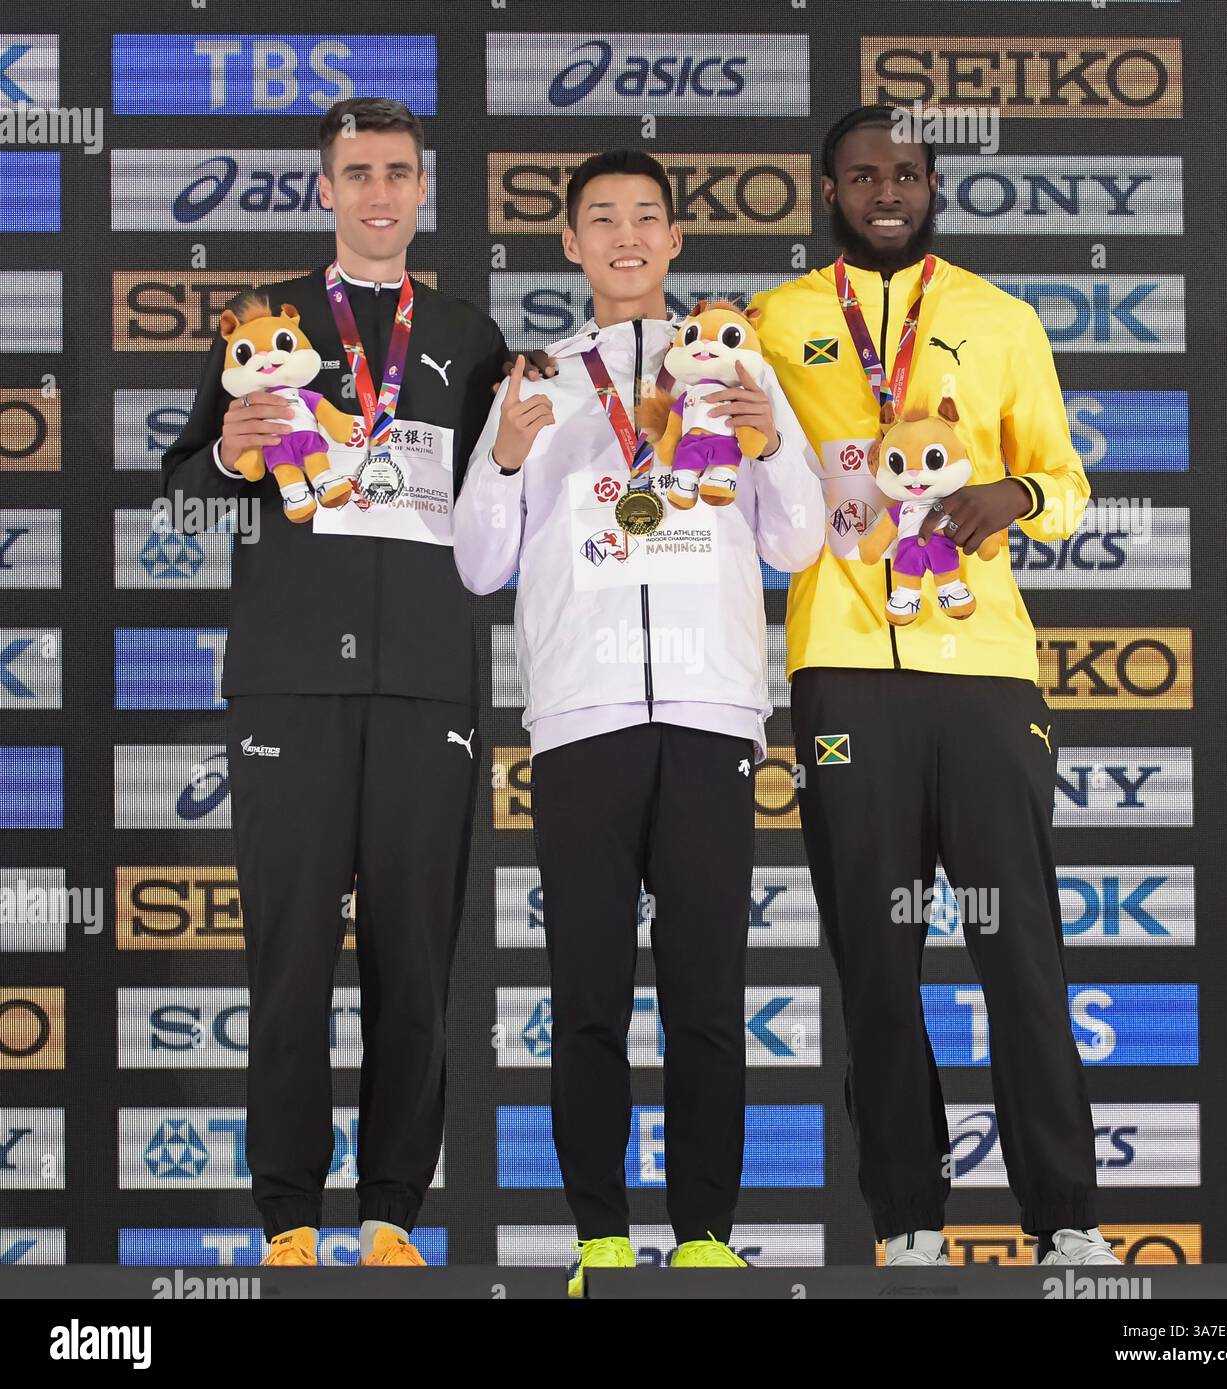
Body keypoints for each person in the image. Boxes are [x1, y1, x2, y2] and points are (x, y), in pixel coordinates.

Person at [748, 105, 1121, 1268]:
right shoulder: (774, 322)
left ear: (935, 182)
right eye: (862, 176)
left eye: (906, 172)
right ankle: (907, 1226)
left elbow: (1064, 480)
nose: (887, 192)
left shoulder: (998, 319)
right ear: (828, 192)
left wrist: (1014, 499)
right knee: (876, 952)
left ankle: (1067, 1223)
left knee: (1022, 952)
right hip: (844, 668)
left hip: (984, 668)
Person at [454, 150, 823, 1295]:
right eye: (600, 219)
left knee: (709, 996)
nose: (624, 236)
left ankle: (707, 1236)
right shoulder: (536, 380)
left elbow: (798, 543)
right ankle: (601, 1240)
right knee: (589, 1002)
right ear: (568, 246)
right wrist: (508, 460)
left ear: (672, 243)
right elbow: (476, 564)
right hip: (580, 723)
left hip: (712, 718)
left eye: (646, 218)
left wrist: (763, 441)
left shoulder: (735, 371)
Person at [160, 96, 515, 1268]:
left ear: (423, 190)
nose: (377, 194)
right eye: (356, 173)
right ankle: (290, 1220)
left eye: (397, 173)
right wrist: (230, 452)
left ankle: (392, 1217)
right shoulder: (263, 327)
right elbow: (189, 483)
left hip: (426, 684)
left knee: (415, 958)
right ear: (324, 189)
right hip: (288, 685)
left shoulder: (468, 332)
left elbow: (502, 515)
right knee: (290, 956)